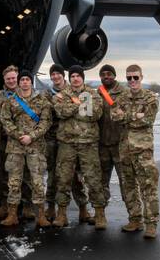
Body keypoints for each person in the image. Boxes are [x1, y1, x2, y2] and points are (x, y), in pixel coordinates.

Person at [50, 65, 103, 228]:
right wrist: (79, 105)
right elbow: (61, 112)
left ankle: (100, 214)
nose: (75, 78)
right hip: (67, 144)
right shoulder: (61, 95)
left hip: (88, 143)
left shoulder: (93, 94)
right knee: (63, 179)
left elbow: (95, 114)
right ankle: (61, 214)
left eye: (78, 76)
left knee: (93, 179)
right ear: (69, 78)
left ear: (82, 78)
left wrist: (73, 108)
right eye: (72, 76)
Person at [112, 65, 160, 238]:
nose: (132, 81)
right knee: (129, 186)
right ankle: (135, 219)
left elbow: (147, 120)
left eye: (135, 77)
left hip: (143, 151)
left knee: (148, 186)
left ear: (141, 77)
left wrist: (126, 116)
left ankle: (151, 224)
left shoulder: (150, 98)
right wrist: (135, 116)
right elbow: (114, 116)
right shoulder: (123, 97)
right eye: (129, 78)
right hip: (125, 149)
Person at [0, 71, 52, 227]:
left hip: (35, 147)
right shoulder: (10, 101)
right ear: (19, 82)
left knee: (37, 182)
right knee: (14, 182)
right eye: (22, 79)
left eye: (27, 79)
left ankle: (41, 215)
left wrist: (31, 136)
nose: (24, 82)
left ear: (31, 82)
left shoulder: (42, 101)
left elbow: (45, 122)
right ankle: (12, 215)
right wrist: (18, 135)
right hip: (16, 147)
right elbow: (5, 120)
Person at [42, 63, 88, 223]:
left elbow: (84, 111)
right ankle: (51, 207)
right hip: (52, 139)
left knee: (74, 175)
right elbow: (48, 114)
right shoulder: (48, 94)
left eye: (58, 74)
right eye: (52, 74)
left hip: (71, 139)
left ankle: (83, 207)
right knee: (54, 175)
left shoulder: (73, 92)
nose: (55, 77)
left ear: (63, 75)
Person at [95, 63, 129, 226]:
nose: (106, 76)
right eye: (103, 74)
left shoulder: (124, 93)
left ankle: (134, 217)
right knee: (101, 182)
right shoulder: (97, 93)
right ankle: (100, 215)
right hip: (102, 145)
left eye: (109, 74)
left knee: (126, 181)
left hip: (120, 145)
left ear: (114, 76)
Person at [0, 64, 17, 219]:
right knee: (2, 173)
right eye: (9, 79)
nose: (12, 81)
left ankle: (24, 205)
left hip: (19, 141)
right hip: (2, 141)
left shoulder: (26, 94)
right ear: (4, 80)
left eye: (14, 78)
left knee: (22, 174)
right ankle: (4, 204)